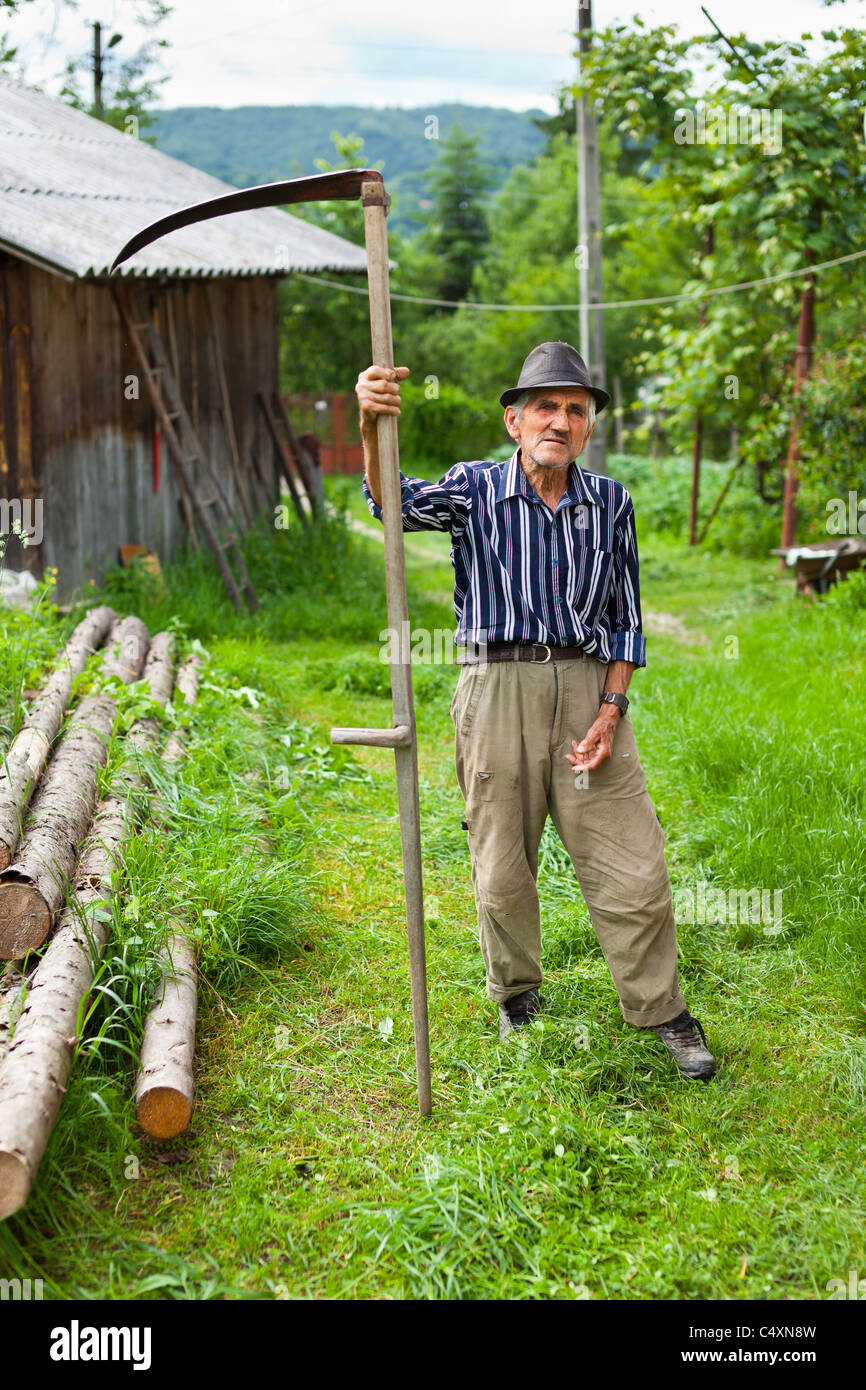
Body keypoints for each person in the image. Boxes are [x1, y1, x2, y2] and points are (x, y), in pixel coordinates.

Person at [356, 341, 716, 1080]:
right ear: (515, 421)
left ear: (587, 428)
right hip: (496, 689)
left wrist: (612, 710)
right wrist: (369, 425)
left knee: (634, 862)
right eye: (545, 408)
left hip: (588, 690)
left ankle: (662, 1010)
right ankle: (517, 997)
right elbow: (390, 503)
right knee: (502, 862)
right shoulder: (475, 489)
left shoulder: (611, 504)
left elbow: (624, 620)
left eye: (575, 410)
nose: (560, 420)